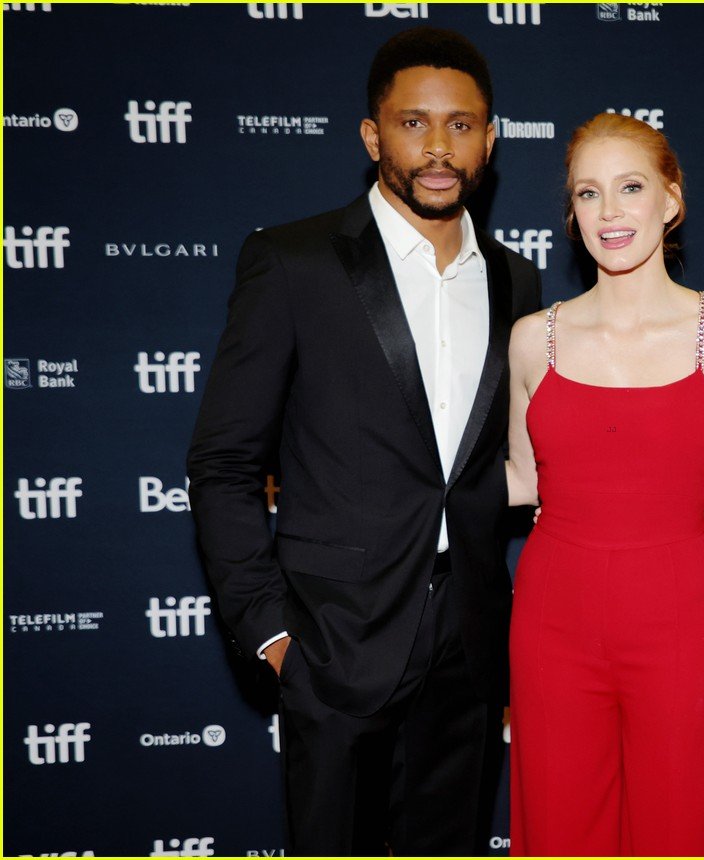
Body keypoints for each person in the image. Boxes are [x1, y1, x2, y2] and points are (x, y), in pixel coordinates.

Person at [186, 27, 542, 856]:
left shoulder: (514, 278)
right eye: (414, 123)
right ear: (372, 135)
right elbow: (224, 463)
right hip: (334, 642)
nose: (439, 147)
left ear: (490, 139)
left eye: (462, 124)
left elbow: (513, 459)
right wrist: (271, 631)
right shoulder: (294, 261)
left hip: (471, 643)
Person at [503, 113, 704, 856]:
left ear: (671, 201)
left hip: (679, 616)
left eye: (631, 187)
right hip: (554, 618)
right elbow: (519, 479)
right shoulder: (533, 338)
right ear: (572, 213)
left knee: (681, 827)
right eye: (588, 193)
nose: (609, 212)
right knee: (558, 828)